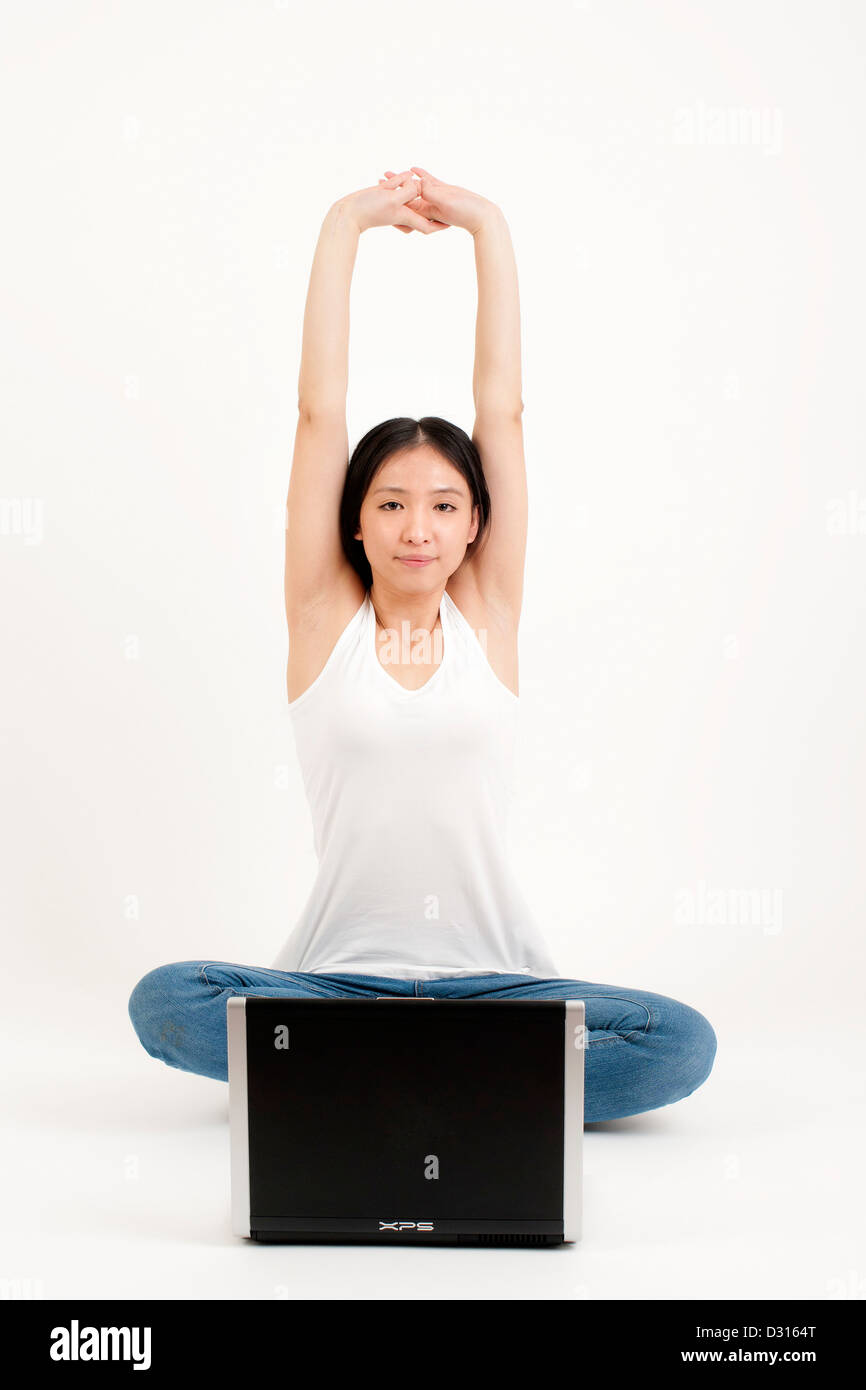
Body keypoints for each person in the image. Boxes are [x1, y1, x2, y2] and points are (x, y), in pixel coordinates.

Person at [128, 167, 717, 1124]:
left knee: (680, 1042)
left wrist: (486, 225)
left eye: (445, 506)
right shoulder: (325, 624)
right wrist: (343, 223)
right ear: (353, 523)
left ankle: (377, 1080)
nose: (418, 529)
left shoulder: (488, 618)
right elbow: (321, 412)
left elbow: (504, 413)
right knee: (163, 999)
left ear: (476, 524)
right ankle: (466, 1086)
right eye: (391, 504)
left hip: (496, 989)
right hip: (331, 992)